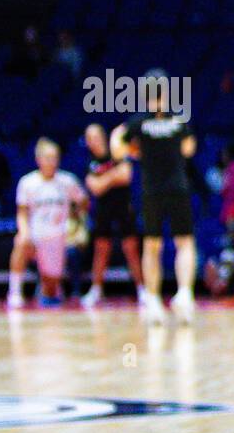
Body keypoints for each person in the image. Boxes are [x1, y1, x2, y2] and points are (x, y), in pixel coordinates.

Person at [110, 77, 197, 324]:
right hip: (178, 189)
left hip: (152, 191)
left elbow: (118, 153)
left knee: (152, 246)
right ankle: (184, 295)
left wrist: (118, 136)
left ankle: (154, 301)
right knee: (184, 243)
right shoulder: (179, 119)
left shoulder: (138, 122)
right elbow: (189, 149)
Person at [8, 138, 88, 308]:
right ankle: (15, 291)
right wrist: (24, 232)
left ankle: (51, 285)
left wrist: (76, 223)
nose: (52, 162)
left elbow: (83, 202)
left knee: (51, 292)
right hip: (36, 238)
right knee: (20, 242)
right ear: (38, 159)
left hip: (58, 239)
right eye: (48, 158)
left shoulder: (68, 181)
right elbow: (21, 213)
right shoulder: (27, 182)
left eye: (55, 157)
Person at [81, 123, 146, 309]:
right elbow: (95, 188)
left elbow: (126, 175)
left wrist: (103, 180)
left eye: (96, 136)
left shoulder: (116, 153)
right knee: (101, 248)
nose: (93, 141)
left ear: (103, 136)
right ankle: (96, 289)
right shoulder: (90, 161)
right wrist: (111, 177)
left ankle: (142, 289)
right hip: (103, 210)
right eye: (89, 137)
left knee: (131, 247)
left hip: (123, 207)